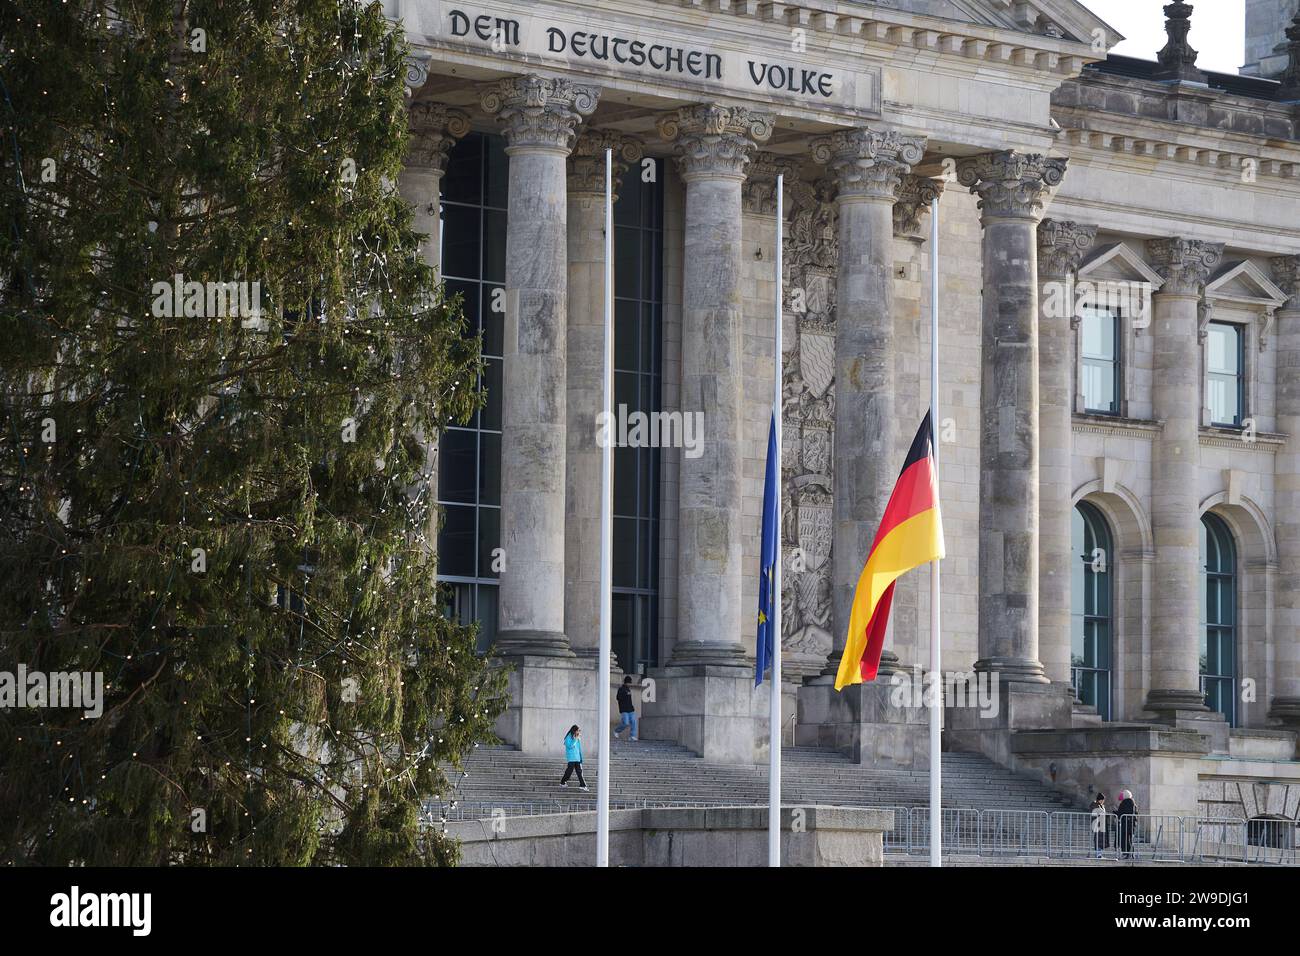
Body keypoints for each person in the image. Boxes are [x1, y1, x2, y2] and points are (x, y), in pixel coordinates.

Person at [560, 724, 588, 791]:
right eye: (578, 730)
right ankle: (562, 782)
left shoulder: (577, 738)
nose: (579, 732)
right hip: (571, 758)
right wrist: (575, 739)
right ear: (574, 730)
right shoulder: (568, 738)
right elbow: (570, 746)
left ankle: (583, 785)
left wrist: (581, 758)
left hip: (577, 758)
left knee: (579, 772)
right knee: (569, 772)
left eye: (579, 731)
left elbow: (579, 749)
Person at [614, 675, 638, 742]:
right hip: (624, 709)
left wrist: (632, 707)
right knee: (625, 723)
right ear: (626, 682)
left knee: (634, 722)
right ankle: (616, 731)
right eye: (629, 682)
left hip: (630, 709)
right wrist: (624, 695)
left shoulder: (628, 689)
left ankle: (632, 736)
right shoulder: (621, 689)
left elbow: (629, 700)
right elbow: (618, 698)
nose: (630, 684)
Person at [1116, 789, 1137, 858]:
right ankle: (1132, 854)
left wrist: (1116, 813)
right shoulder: (1133, 803)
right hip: (1132, 825)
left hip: (1125, 825)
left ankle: (1127, 853)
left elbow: (1121, 812)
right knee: (1130, 839)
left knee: (1125, 839)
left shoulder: (1125, 803)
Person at [1089, 792, 1108, 858]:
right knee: (1098, 839)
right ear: (1099, 799)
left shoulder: (1100, 805)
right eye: (1102, 800)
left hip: (1101, 824)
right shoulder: (1095, 805)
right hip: (1097, 824)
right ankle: (1098, 854)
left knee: (1100, 839)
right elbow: (1097, 813)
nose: (1103, 801)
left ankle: (1099, 853)